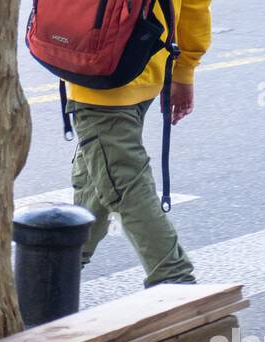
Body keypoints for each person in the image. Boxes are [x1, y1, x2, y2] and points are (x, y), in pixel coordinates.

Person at [68, 0, 212, 287]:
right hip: (145, 54)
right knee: (100, 172)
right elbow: (195, 5)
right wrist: (183, 70)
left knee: (124, 181)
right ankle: (60, 265)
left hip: (99, 64)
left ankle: (174, 279)